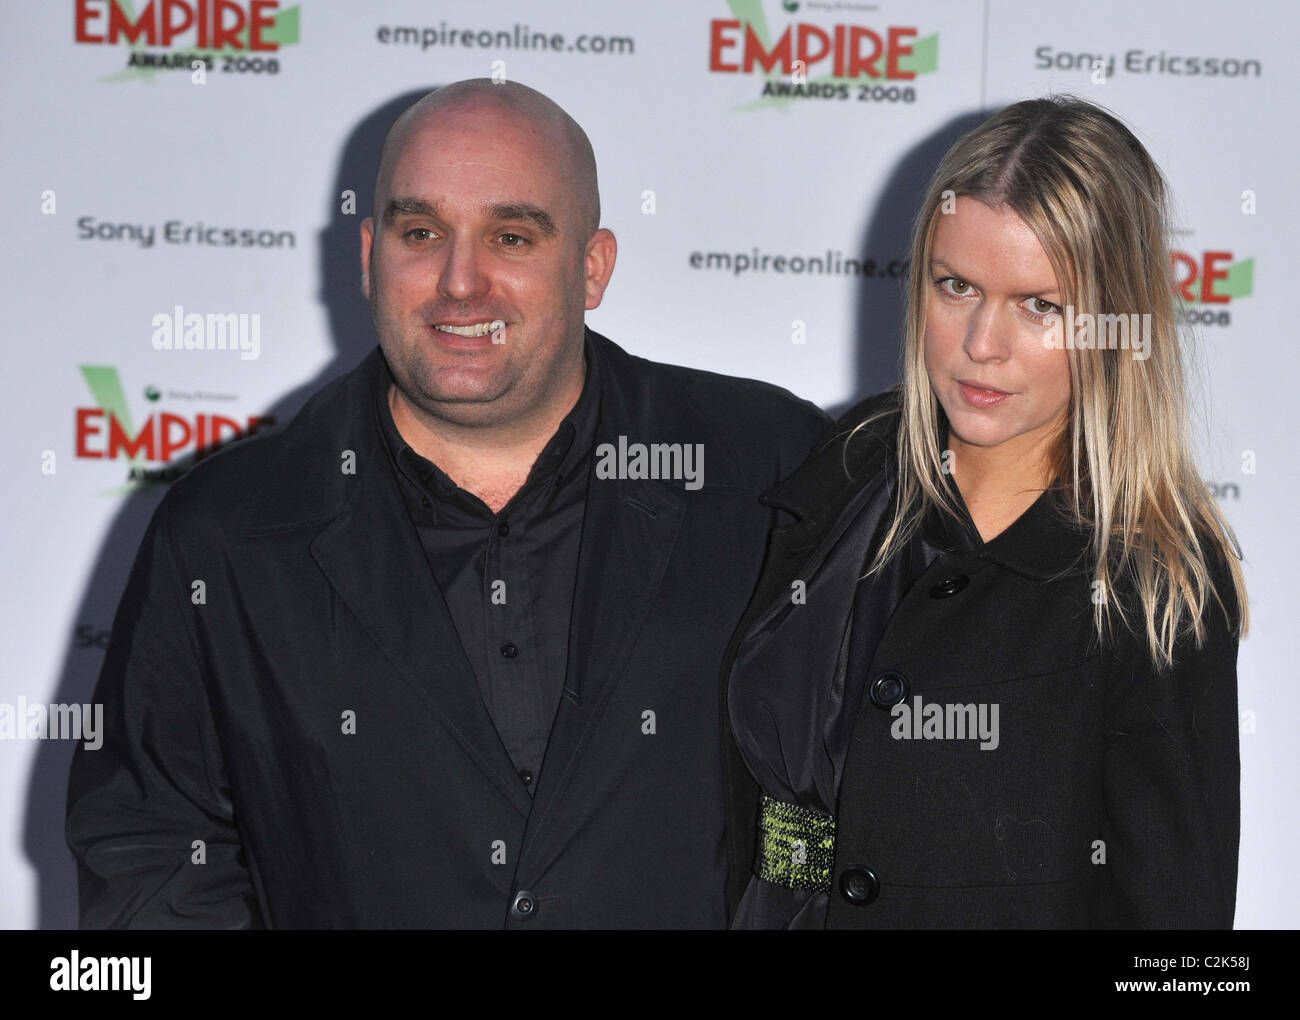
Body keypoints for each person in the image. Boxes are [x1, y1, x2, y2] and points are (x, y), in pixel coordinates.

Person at [65, 79, 828, 928]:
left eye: (511, 235)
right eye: (421, 233)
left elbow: (853, 794)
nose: (461, 283)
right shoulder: (226, 531)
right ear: (366, 256)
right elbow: (148, 852)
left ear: (592, 266)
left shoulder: (767, 467)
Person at [721, 95, 1247, 929]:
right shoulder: (848, 470)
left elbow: (1176, 923)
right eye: (956, 285)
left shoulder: (1150, 577)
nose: (981, 344)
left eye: (1041, 305)